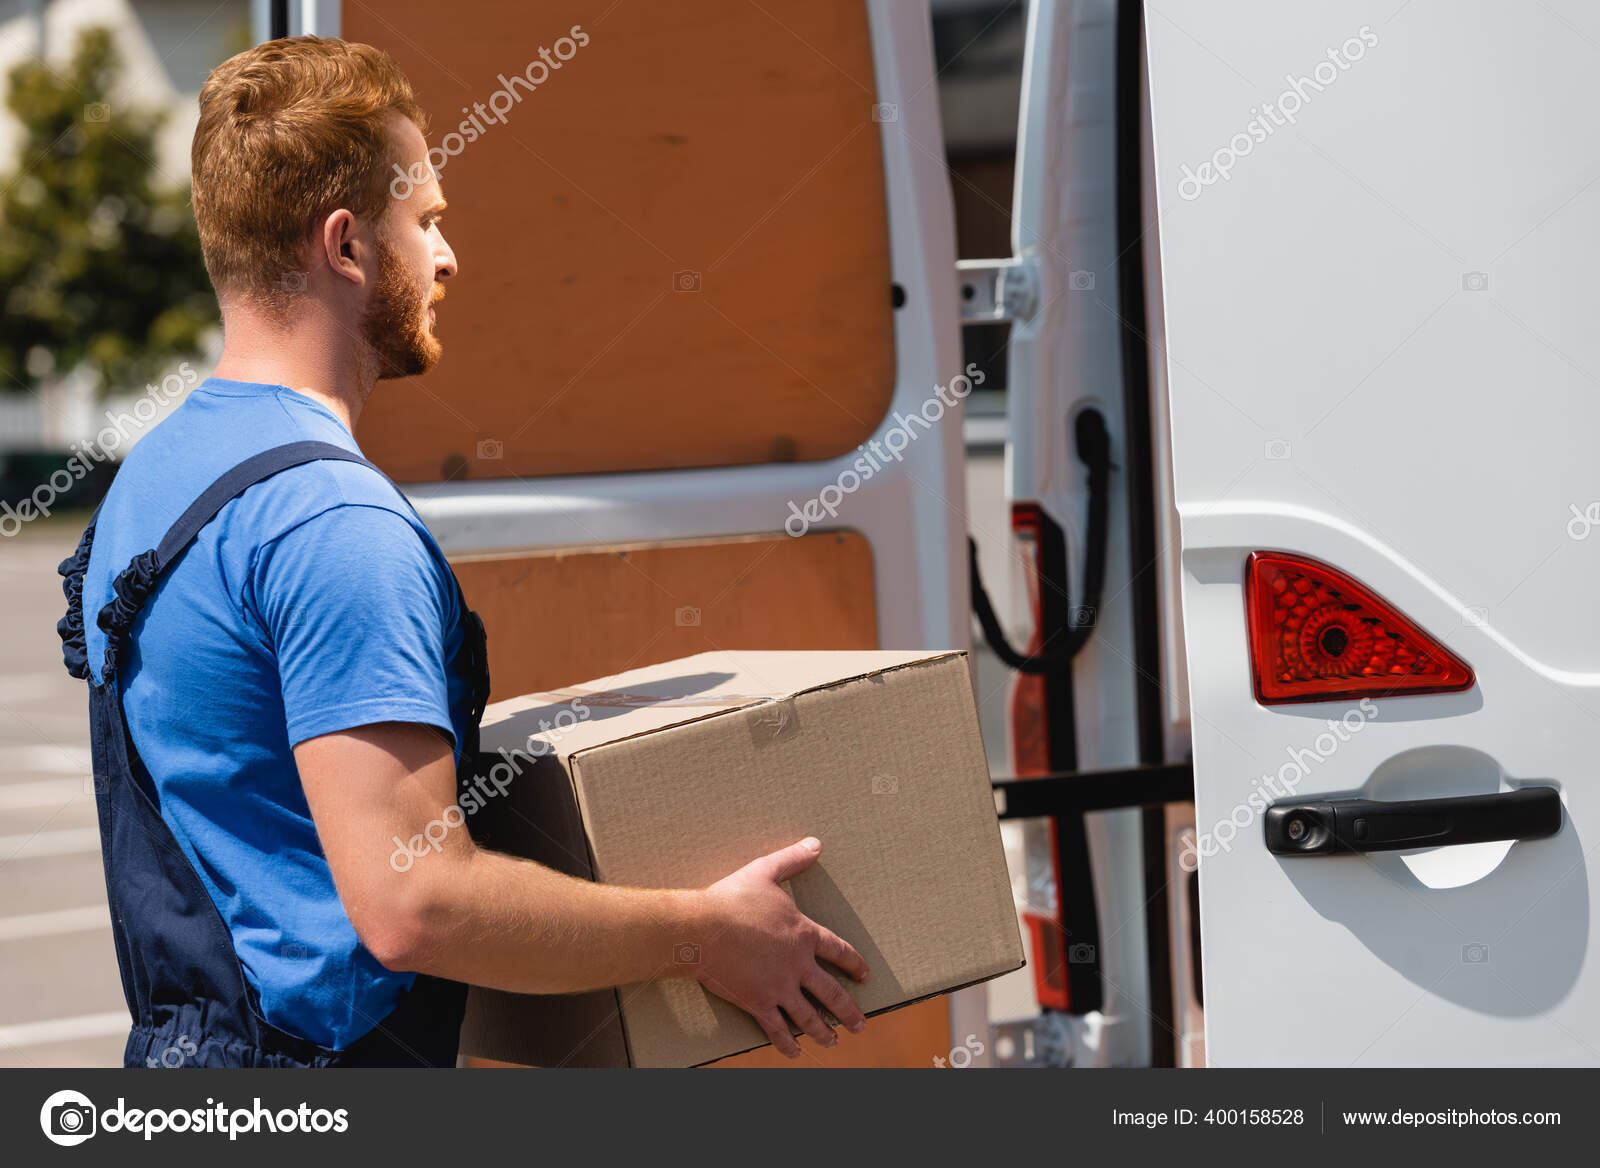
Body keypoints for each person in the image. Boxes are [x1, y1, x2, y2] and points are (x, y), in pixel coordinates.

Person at [58, 35, 867, 1068]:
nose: (448, 257)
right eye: (428, 221)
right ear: (347, 246)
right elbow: (418, 903)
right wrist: (706, 935)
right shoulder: (332, 526)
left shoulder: (159, 473)